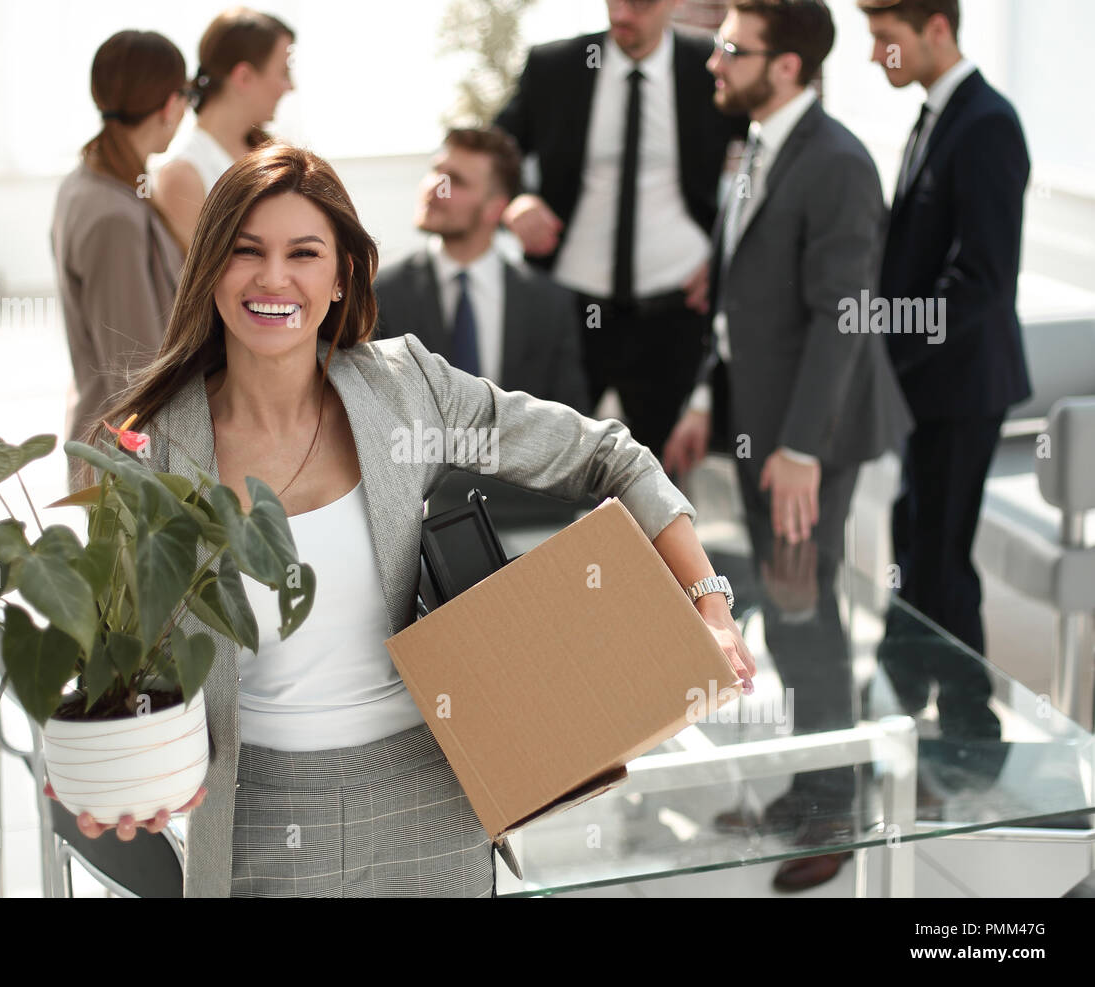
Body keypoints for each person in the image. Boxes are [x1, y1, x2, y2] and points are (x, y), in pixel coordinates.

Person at [51, 142, 758, 898]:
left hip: (432, 798)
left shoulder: (402, 390)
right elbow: (122, 661)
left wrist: (707, 604)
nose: (273, 277)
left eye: (304, 253)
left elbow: (612, 457)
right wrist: (117, 777)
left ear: (340, 277)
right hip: (257, 811)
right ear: (210, 266)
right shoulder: (152, 445)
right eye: (245, 250)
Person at [665, 0, 911, 893]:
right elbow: (736, 298)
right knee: (789, 602)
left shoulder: (839, 162)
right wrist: (703, 395)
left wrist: (802, 448)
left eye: (733, 49)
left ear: (789, 67)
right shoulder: (758, 145)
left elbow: (841, 319)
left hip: (819, 436)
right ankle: (813, 783)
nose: (713, 62)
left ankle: (833, 812)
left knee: (806, 617)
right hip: (765, 424)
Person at [494, 0, 746, 458]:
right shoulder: (556, 66)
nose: (623, 15)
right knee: (545, 465)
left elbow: (769, 154)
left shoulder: (710, 65)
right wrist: (515, 202)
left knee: (663, 489)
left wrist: (727, 255)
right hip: (569, 306)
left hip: (675, 313)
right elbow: (493, 147)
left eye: (641, 3)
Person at [857, 0, 1031, 661]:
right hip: (930, 384)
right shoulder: (937, 114)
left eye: (885, 39)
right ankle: (917, 718)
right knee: (917, 545)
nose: (876, 55)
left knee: (941, 564)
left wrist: (886, 351)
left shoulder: (988, 124)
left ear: (936, 28)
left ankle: (970, 737)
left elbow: (980, 280)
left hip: (962, 386)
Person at [375, 126, 592, 527]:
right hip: (407, 528)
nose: (433, 188)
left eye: (455, 181)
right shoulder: (378, 293)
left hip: (526, 524)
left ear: (496, 207)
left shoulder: (548, 302)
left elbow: (569, 428)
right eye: (435, 172)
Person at [50, 30, 189, 490]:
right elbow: (134, 367)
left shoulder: (89, 183)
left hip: (118, 451)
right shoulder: (115, 214)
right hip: (128, 467)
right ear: (170, 104)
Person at [155, 8, 295, 252]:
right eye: (283, 72)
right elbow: (190, 285)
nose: (290, 86)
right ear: (243, 76)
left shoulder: (275, 153)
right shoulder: (183, 175)